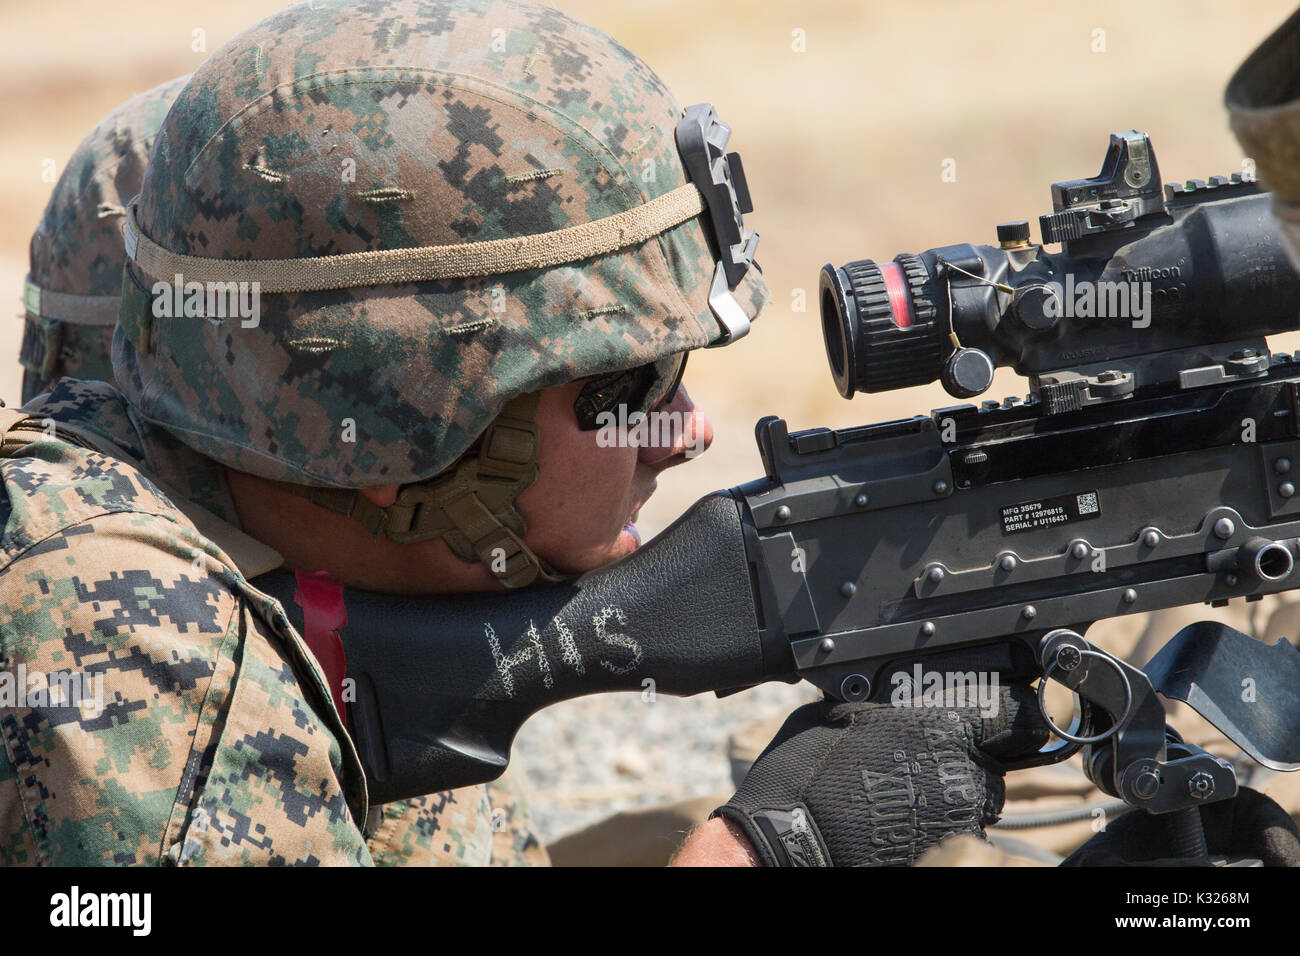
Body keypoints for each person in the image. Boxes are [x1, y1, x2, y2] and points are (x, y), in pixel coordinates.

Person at [0, 0, 766, 866]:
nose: (685, 432)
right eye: (626, 385)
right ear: (384, 421)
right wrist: (761, 848)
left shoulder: (350, 590)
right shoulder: (120, 615)